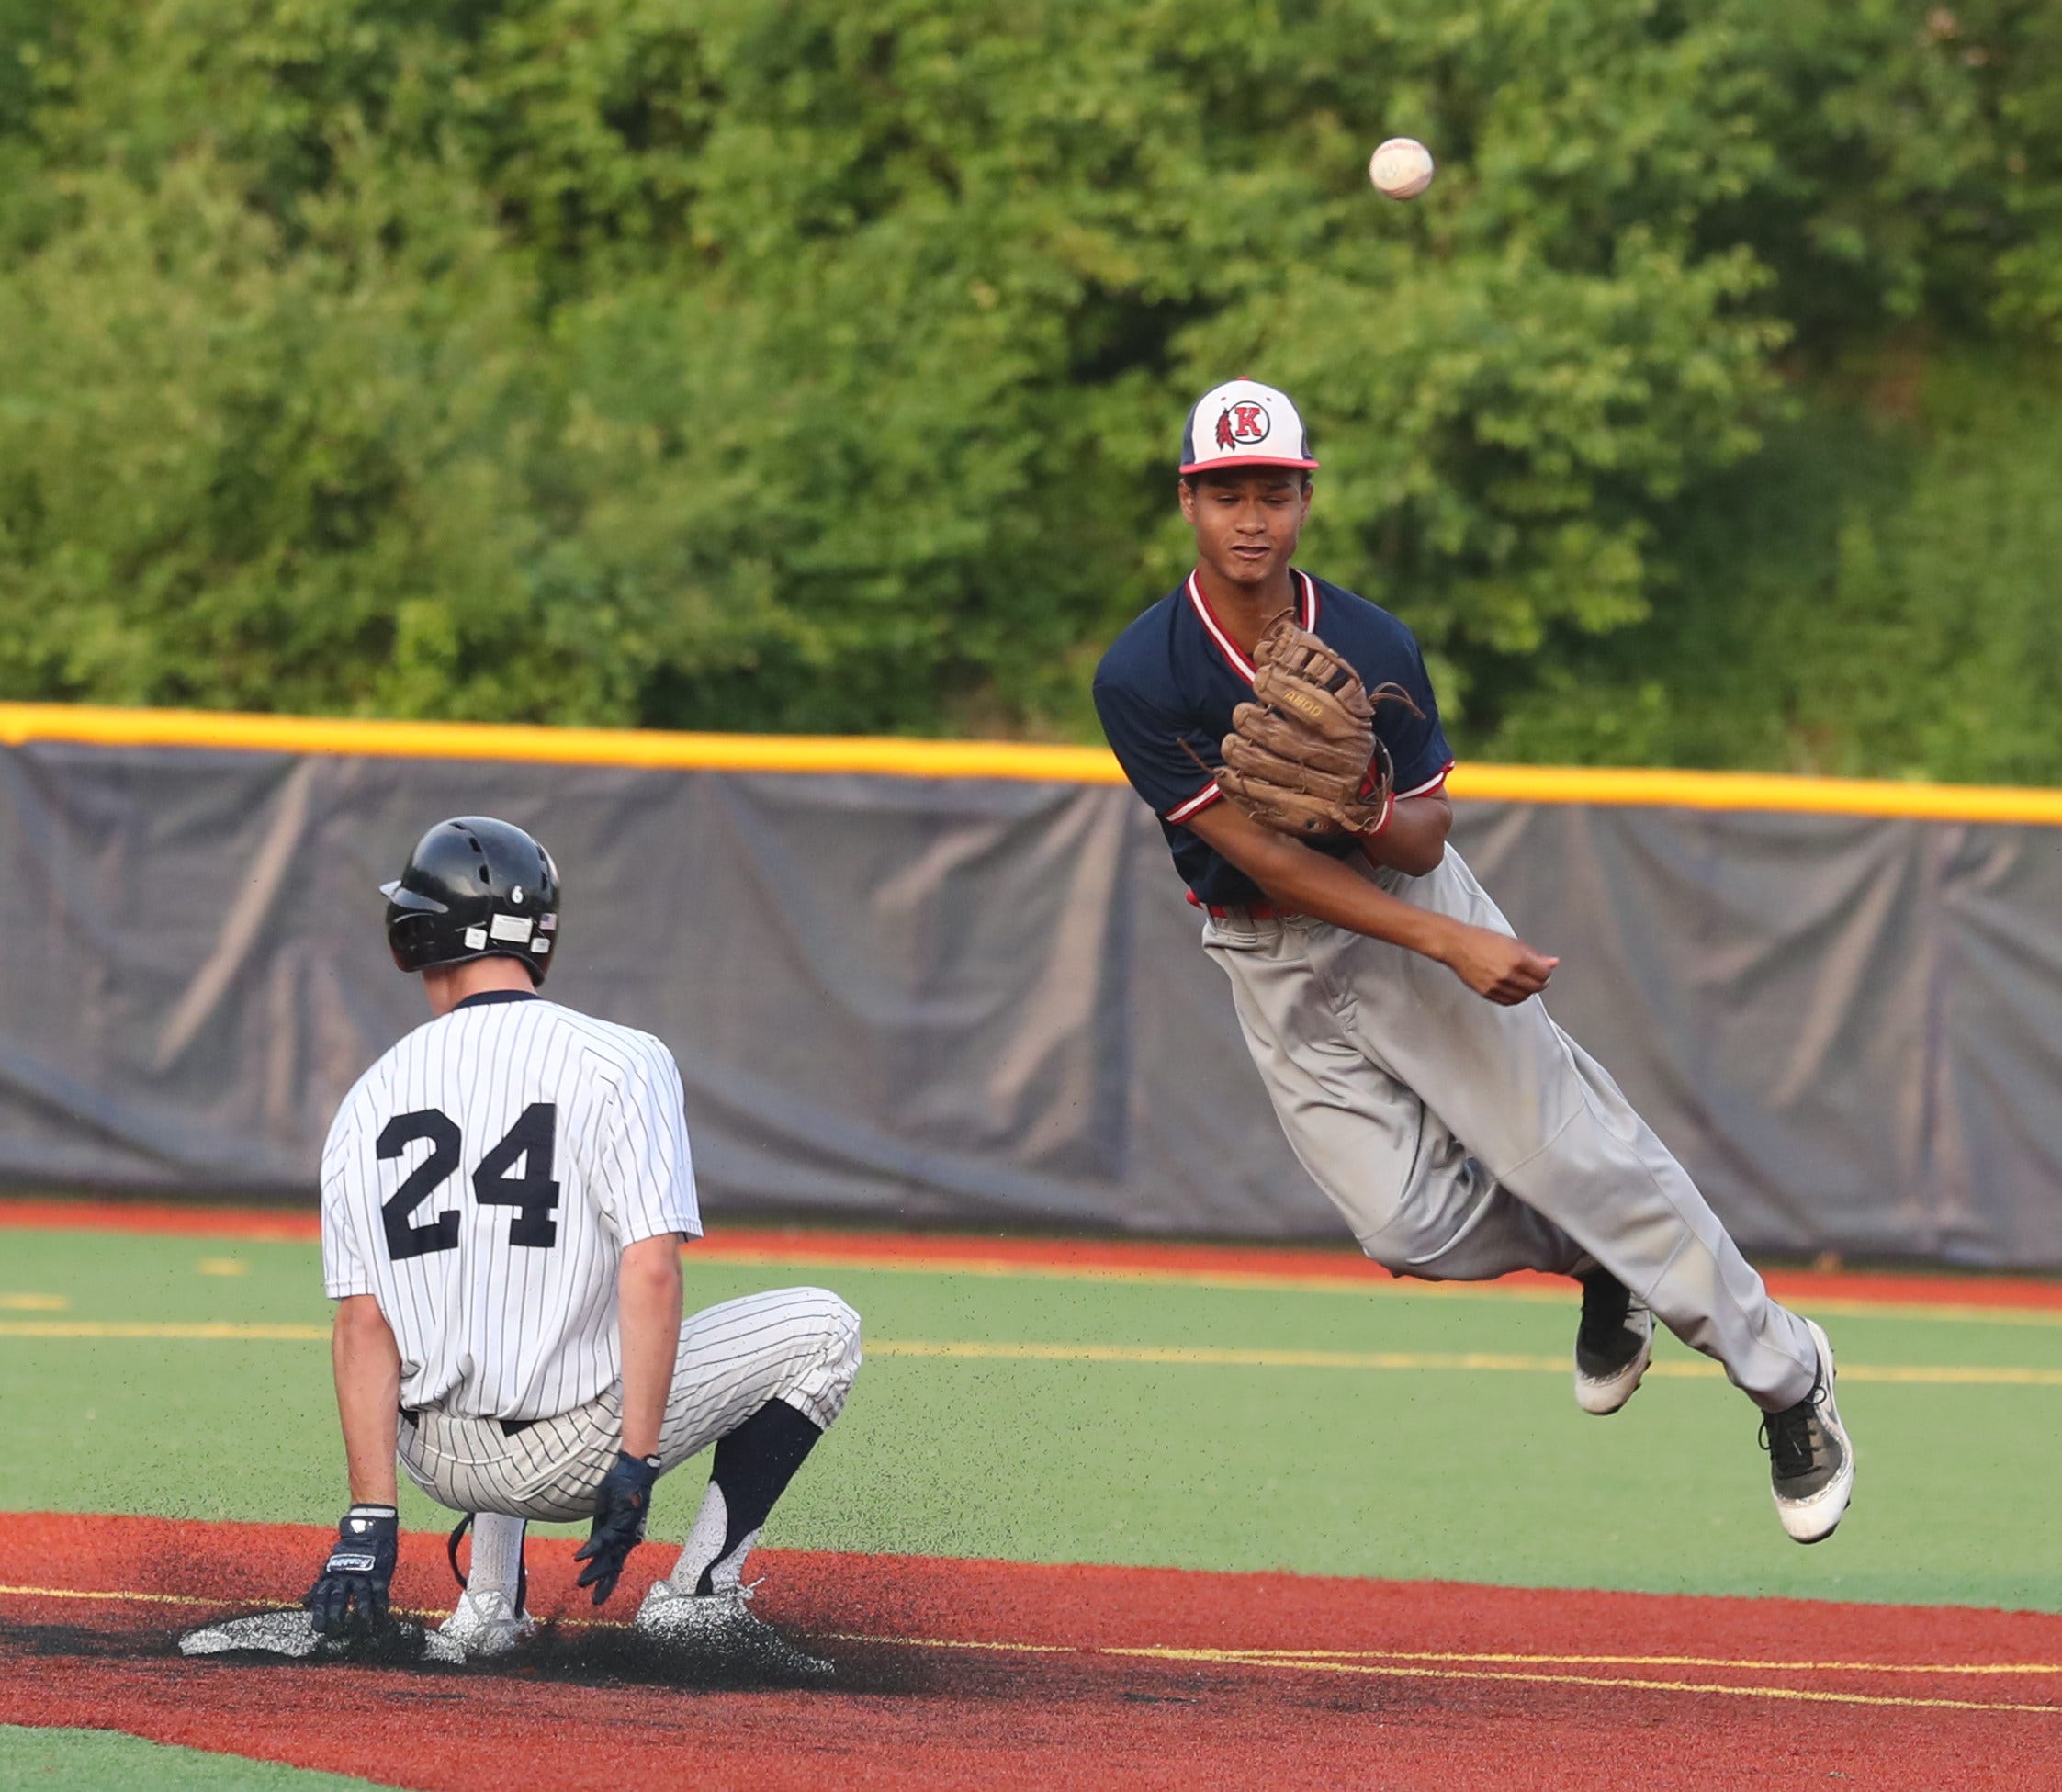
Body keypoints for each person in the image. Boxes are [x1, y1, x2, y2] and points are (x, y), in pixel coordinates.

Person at [1090, 378, 1854, 1544]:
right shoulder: (1141, 674)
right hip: (1271, 950)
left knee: (1583, 1158)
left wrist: (1363, 801)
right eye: (1225, 493)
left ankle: (1787, 1375)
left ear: (1306, 497)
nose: (1251, 517)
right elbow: (1263, 862)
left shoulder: (1375, 645)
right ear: (1187, 501)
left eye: (1274, 492)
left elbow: (1426, 834)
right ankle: (1603, 1266)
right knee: (1402, 1227)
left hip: (1401, 897)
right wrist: (1453, 944)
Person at [303, 816, 861, 1675]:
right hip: (575, 1459)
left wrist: (368, 1520)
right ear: (541, 940)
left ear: (416, 935)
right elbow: (649, 1265)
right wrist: (634, 1463)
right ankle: (699, 1597)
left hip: (430, 1459)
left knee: (491, 1292)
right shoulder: (618, 1059)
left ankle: (489, 1602)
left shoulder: (367, 1098)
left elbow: (362, 1325)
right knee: (824, 1326)